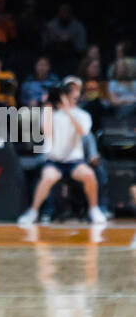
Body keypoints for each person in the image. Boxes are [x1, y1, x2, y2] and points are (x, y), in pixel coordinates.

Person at [18, 81, 105, 226]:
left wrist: (68, 112)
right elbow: (44, 132)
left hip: (74, 162)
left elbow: (82, 132)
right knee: (47, 178)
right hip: (54, 161)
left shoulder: (82, 115)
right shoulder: (52, 114)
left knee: (89, 175)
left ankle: (94, 209)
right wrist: (47, 109)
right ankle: (33, 211)